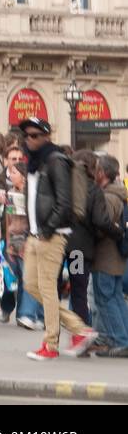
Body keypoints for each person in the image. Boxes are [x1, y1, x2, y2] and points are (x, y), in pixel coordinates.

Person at [17, 117, 97, 360]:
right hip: (35, 234)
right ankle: (80, 330)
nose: (29, 139)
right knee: (32, 285)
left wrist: (47, 230)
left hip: (52, 235)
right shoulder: (34, 163)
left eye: (34, 135)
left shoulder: (55, 161)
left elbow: (63, 203)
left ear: (46, 136)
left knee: (49, 289)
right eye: (26, 135)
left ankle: (50, 345)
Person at [0, 145, 42, 328]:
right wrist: (7, 244)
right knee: (12, 278)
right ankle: (14, 310)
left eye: (19, 161)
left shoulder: (32, 193)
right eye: (13, 160)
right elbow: (7, 220)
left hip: (28, 240)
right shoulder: (3, 185)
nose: (12, 175)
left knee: (28, 279)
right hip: (11, 241)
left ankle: (27, 314)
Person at [88, 153, 128, 357]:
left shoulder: (108, 197)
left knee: (106, 299)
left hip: (106, 258)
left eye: (95, 169)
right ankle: (121, 338)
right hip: (117, 258)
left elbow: (103, 226)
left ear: (101, 173)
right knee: (116, 298)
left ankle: (119, 340)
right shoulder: (120, 194)